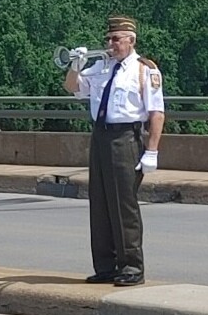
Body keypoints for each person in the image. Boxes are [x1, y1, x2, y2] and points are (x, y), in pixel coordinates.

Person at [63, 15, 165, 287]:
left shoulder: (145, 70)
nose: (110, 44)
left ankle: (131, 266)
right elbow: (73, 88)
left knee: (123, 205)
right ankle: (106, 266)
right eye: (108, 39)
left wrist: (152, 151)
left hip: (126, 138)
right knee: (100, 203)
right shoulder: (100, 67)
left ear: (131, 40)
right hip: (100, 135)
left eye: (116, 39)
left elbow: (156, 113)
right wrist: (75, 66)